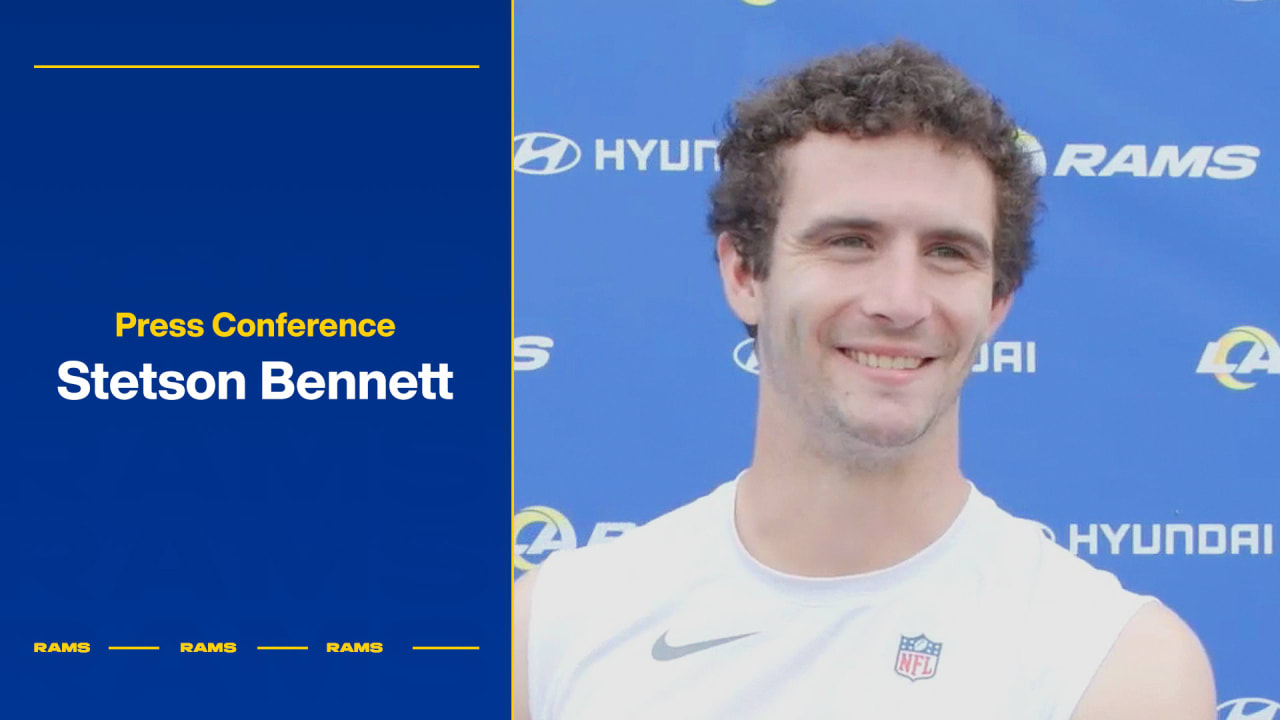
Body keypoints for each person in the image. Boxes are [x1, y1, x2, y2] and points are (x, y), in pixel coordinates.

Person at [513, 40, 1215, 719]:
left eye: (948, 252)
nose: (901, 301)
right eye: (850, 242)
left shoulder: (1116, 666)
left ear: (998, 302)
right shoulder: (550, 629)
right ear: (744, 274)